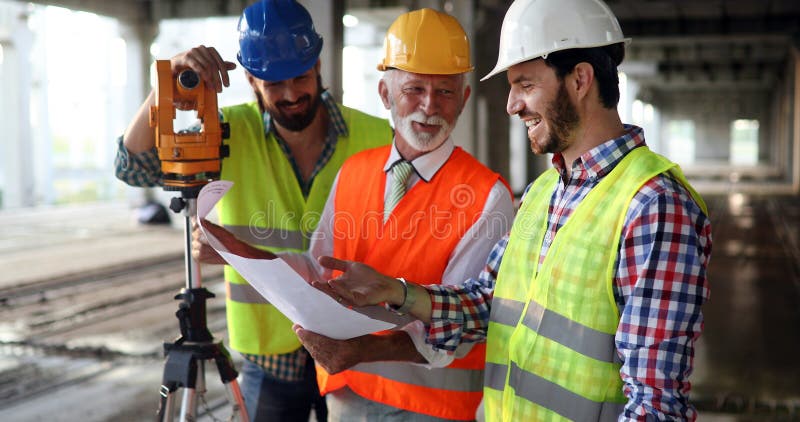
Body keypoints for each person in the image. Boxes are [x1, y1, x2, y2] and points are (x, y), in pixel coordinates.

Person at [310, 0, 713, 420]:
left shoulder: (653, 206)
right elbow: (487, 301)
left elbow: (654, 405)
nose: (511, 104)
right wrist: (396, 291)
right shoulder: (545, 192)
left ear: (580, 79)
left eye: (525, 85)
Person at [195, 8, 515, 421]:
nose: (430, 105)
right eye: (414, 89)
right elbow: (318, 269)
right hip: (348, 397)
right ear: (385, 94)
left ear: (465, 99)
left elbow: (465, 321)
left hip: (430, 408)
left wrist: (363, 349)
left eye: (446, 91)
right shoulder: (355, 171)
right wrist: (238, 251)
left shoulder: (487, 196)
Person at [114, 0, 393, 420]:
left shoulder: (376, 137)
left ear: (317, 66)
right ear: (250, 79)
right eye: (273, 84)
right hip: (270, 358)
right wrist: (165, 87)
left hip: (356, 348)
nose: (291, 95)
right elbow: (131, 167)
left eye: (300, 77)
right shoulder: (227, 133)